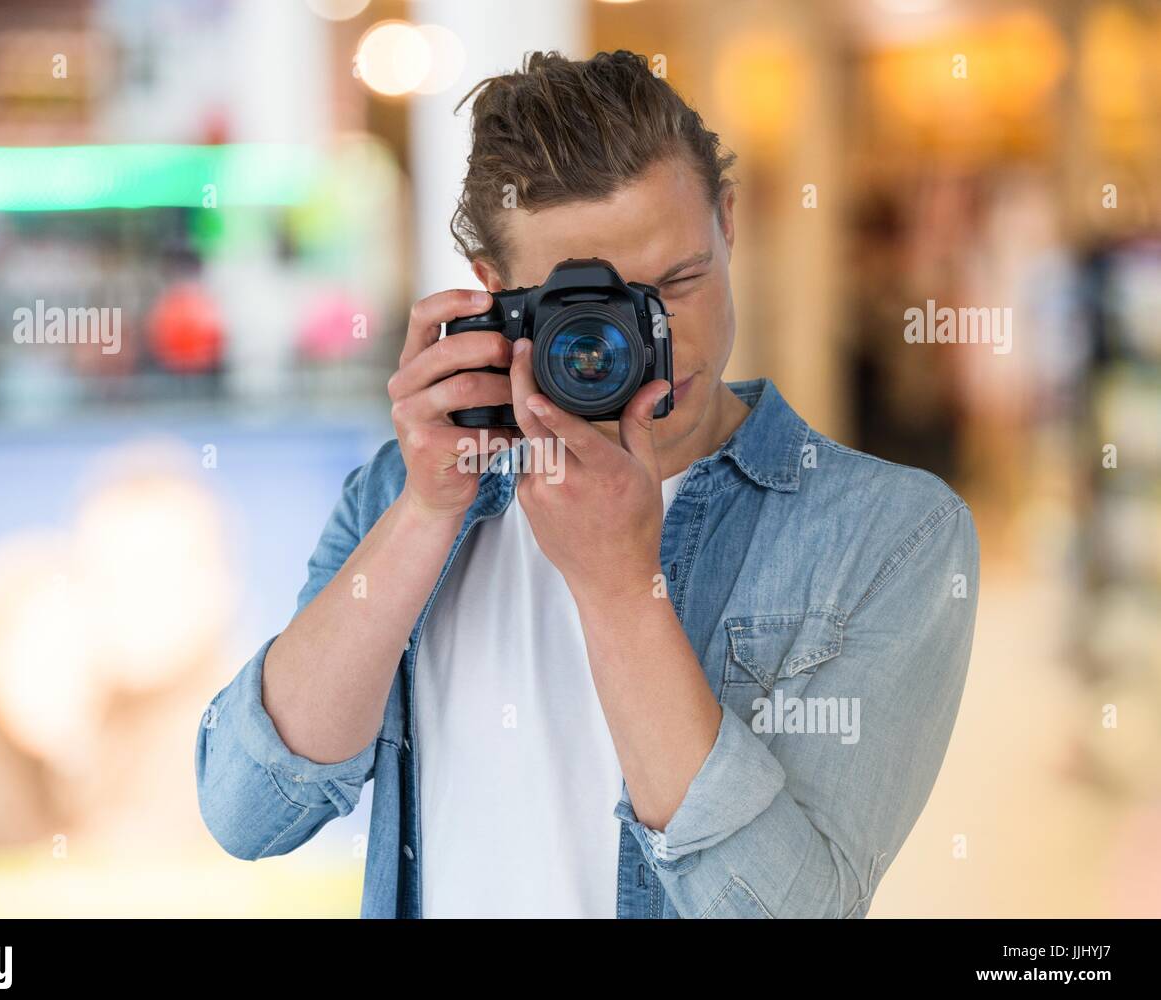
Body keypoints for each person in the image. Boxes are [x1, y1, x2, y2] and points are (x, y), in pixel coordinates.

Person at [194, 50, 979, 919]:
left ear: (728, 222)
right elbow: (246, 811)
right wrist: (426, 510)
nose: (657, 338)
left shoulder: (890, 533)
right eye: (593, 304)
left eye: (680, 280)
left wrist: (618, 586)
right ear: (494, 291)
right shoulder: (401, 492)